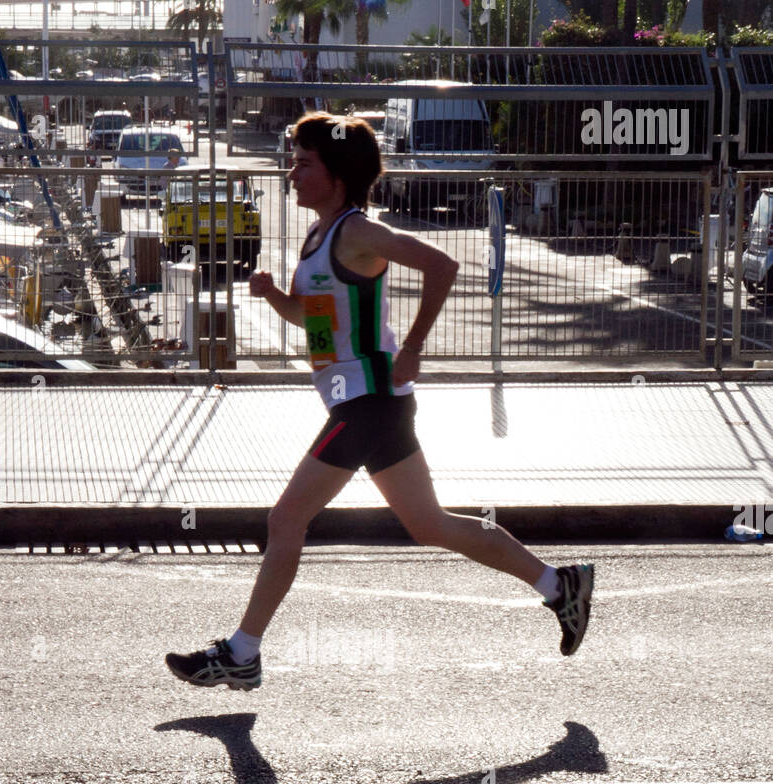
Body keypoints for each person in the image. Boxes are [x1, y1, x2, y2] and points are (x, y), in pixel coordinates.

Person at [165, 113, 593, 691]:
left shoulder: (357, 233)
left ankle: (243, 652)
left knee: (286, 518)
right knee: (429, 523)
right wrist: (273, 299)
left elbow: (443, 265)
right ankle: (557, 586)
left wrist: (413, 347)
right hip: (372, 404)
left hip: (367, 405)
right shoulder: (320, 237)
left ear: (337, 174)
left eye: (304, 162)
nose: (291, 172)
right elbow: (316, 319)